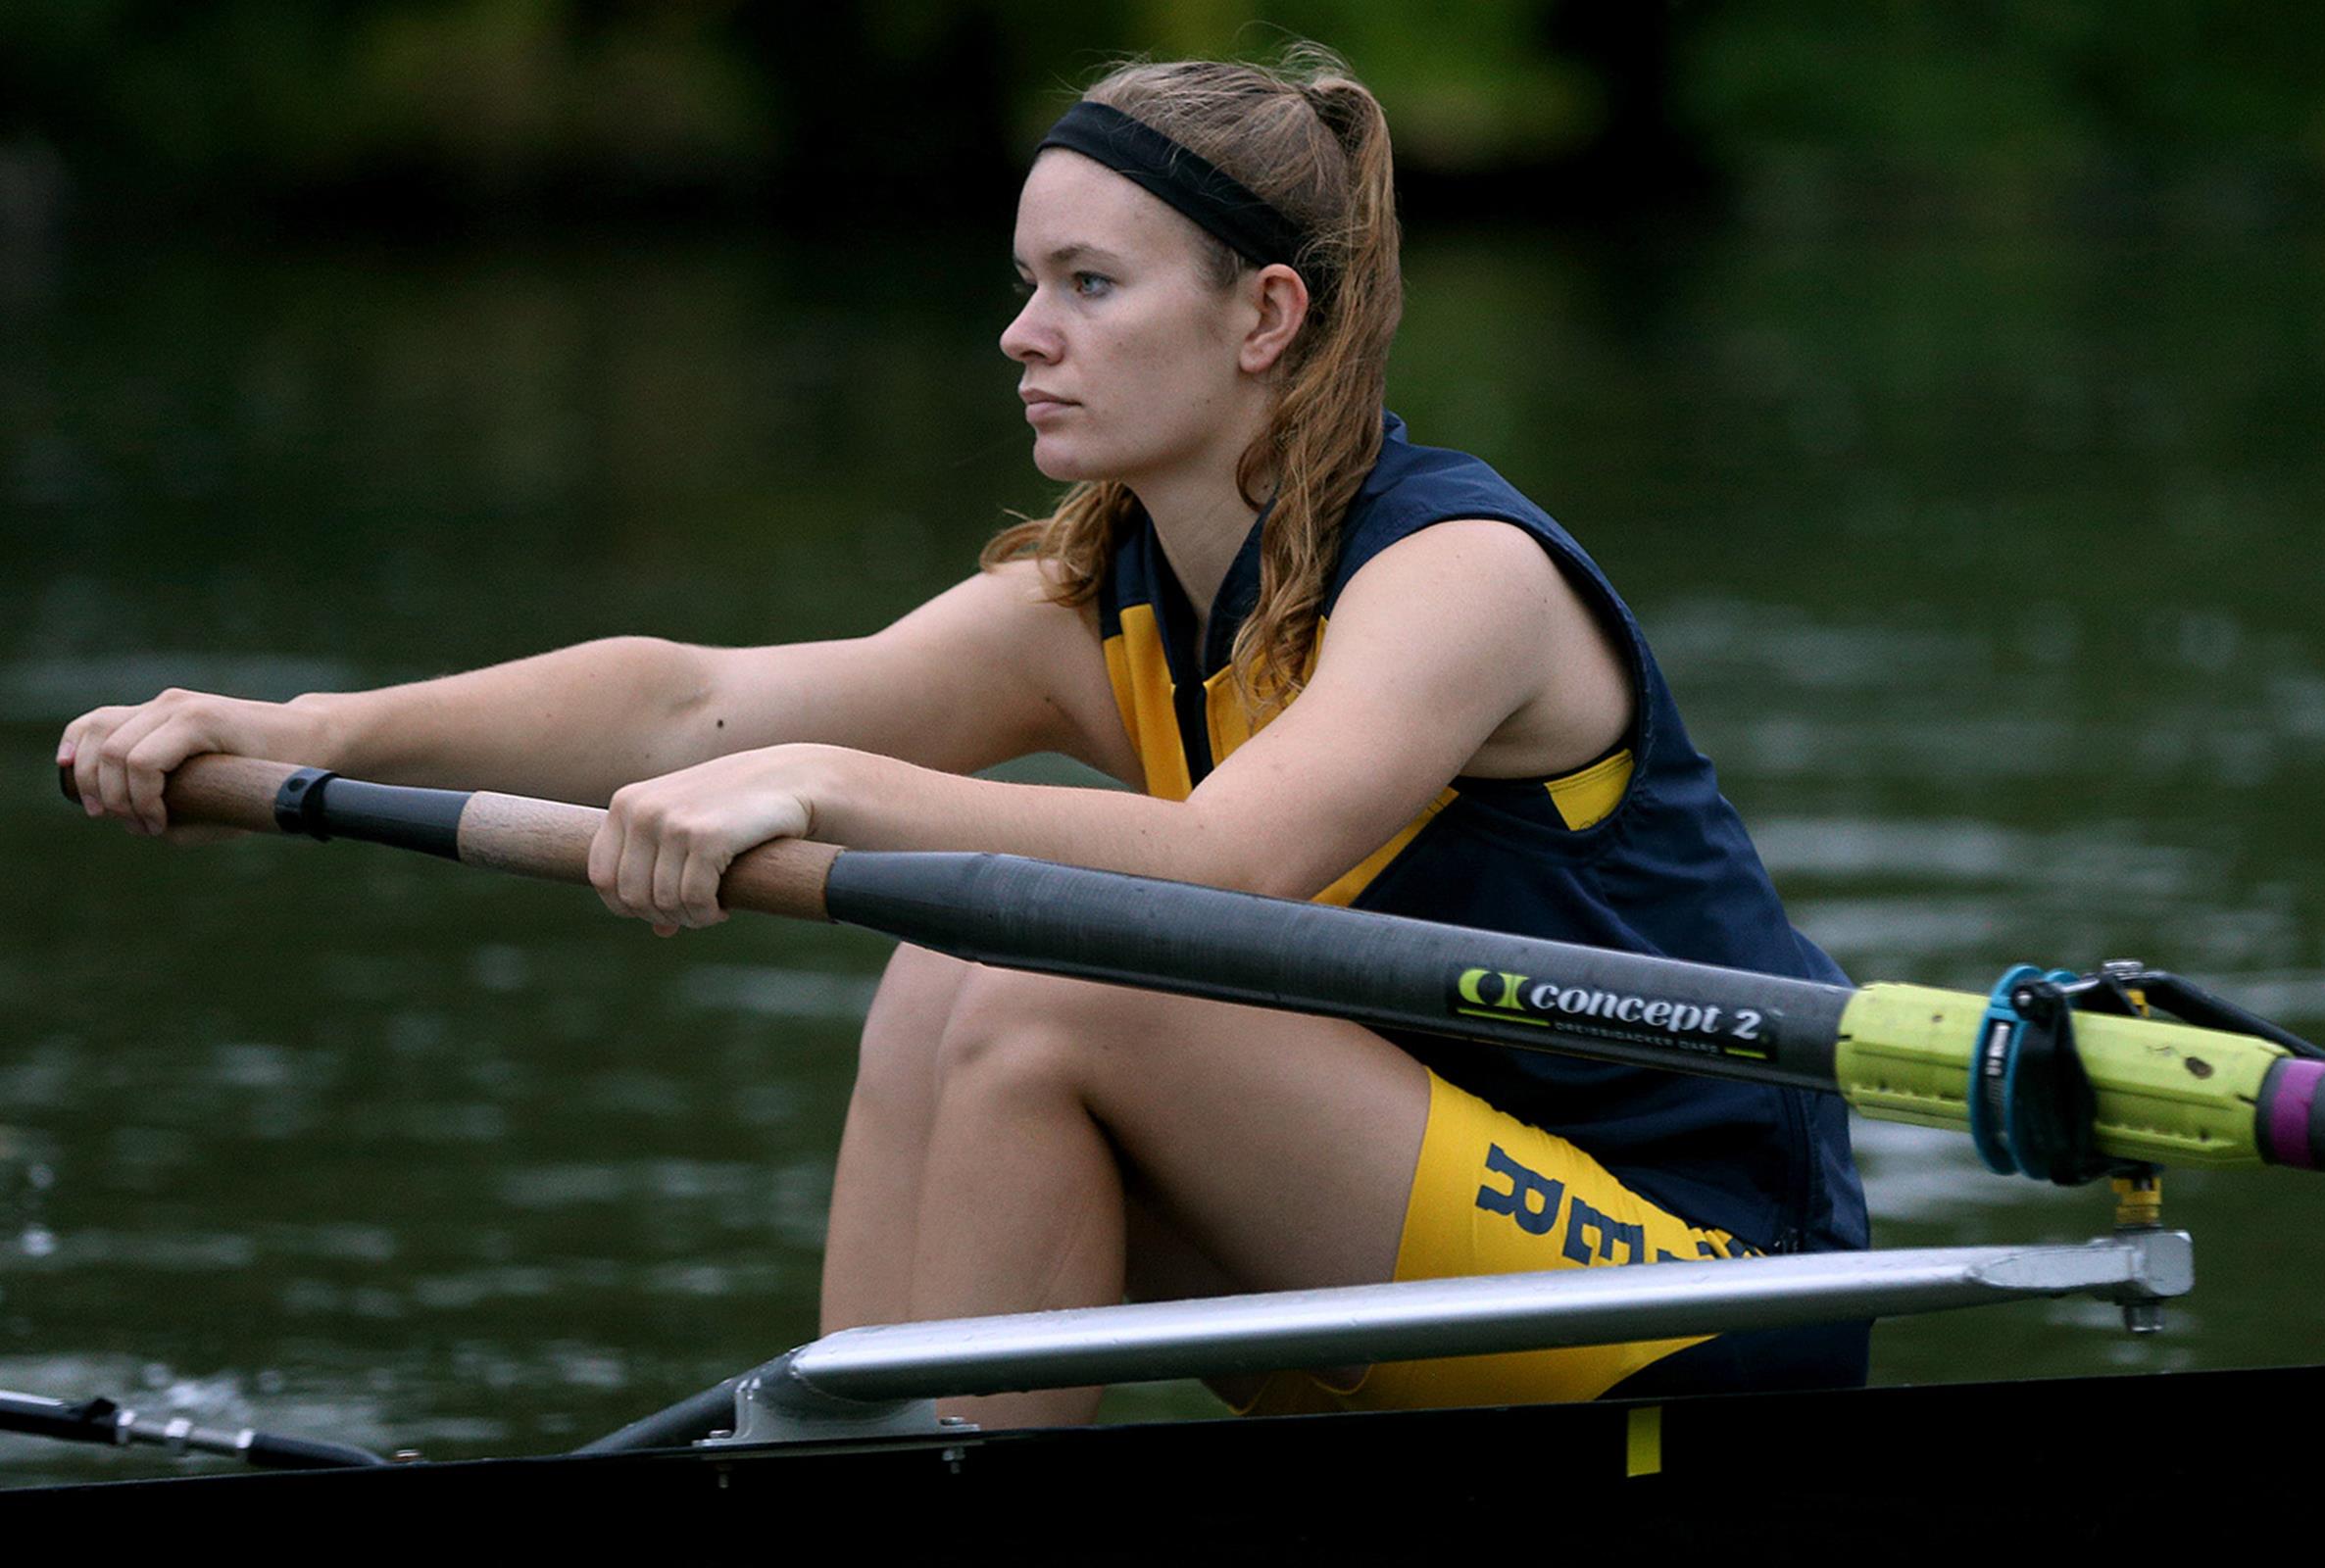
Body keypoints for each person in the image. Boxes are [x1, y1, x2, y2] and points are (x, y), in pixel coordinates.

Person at [55, 47, 1868, 1427]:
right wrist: (297, 727)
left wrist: (833, 790)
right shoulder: (1106, 607)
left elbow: (1233, 865)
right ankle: (870, 1443)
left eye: (1088, 285)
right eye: (1026, 281)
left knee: (1044, 980)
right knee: (949, 972)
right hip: (1452, 1234)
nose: (1021, 335)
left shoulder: (1458, 577)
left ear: (1266, 315)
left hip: (1705, 1292)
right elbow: (687, 700)